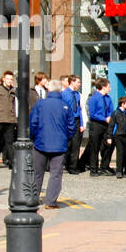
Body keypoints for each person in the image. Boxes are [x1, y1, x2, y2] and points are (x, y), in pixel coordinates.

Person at [29, 75, 79, 209]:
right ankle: (50, 202)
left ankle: (33, 198)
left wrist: (33, 136)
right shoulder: (65, 105)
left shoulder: (40, 103)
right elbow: (72, 126)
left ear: (49, 89)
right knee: (56, 174)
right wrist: (66, 137)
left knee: (37, 173)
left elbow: (33, 122)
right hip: (59, 144)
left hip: (41, 142)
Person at [82, 77, 114, 175]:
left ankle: (104, 166)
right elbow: (92, 113)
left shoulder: (108, 98)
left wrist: (109, 117)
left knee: (108, 145)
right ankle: (93, 169)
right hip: (96, 124)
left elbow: (111, 110)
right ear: (103, 87)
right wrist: (104, 118)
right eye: (108, 86)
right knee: (94, 147)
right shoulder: (94, 98)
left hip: (106, 125)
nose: (110, 88)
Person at [0, 71, 18, 168]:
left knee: (9, 142)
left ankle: (12, 163)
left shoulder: (13, 91)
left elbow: (14, 105)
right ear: (3, 79)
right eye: (8, 79)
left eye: (11, 79)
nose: (9, 81)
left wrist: (15, 120)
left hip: (10, 120)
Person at [63, 75, 86, 174]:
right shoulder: (64, 94)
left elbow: (79, 109)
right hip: (67, 120)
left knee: (76, 144)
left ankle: (73, 166)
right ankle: (65, 163)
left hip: (76, 120)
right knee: (68, 144)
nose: (79, 84)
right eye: (78, 82)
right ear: (72, 82)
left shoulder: (77, 94)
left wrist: (81, 123)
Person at [109, 96, 126, 178]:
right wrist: (109, 136)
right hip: (118, 136)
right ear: (122, 104)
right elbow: (111, 126)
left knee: (125, 153)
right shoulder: (115, 113)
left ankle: (124, 169)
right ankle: (119, 171)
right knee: (120, 153)